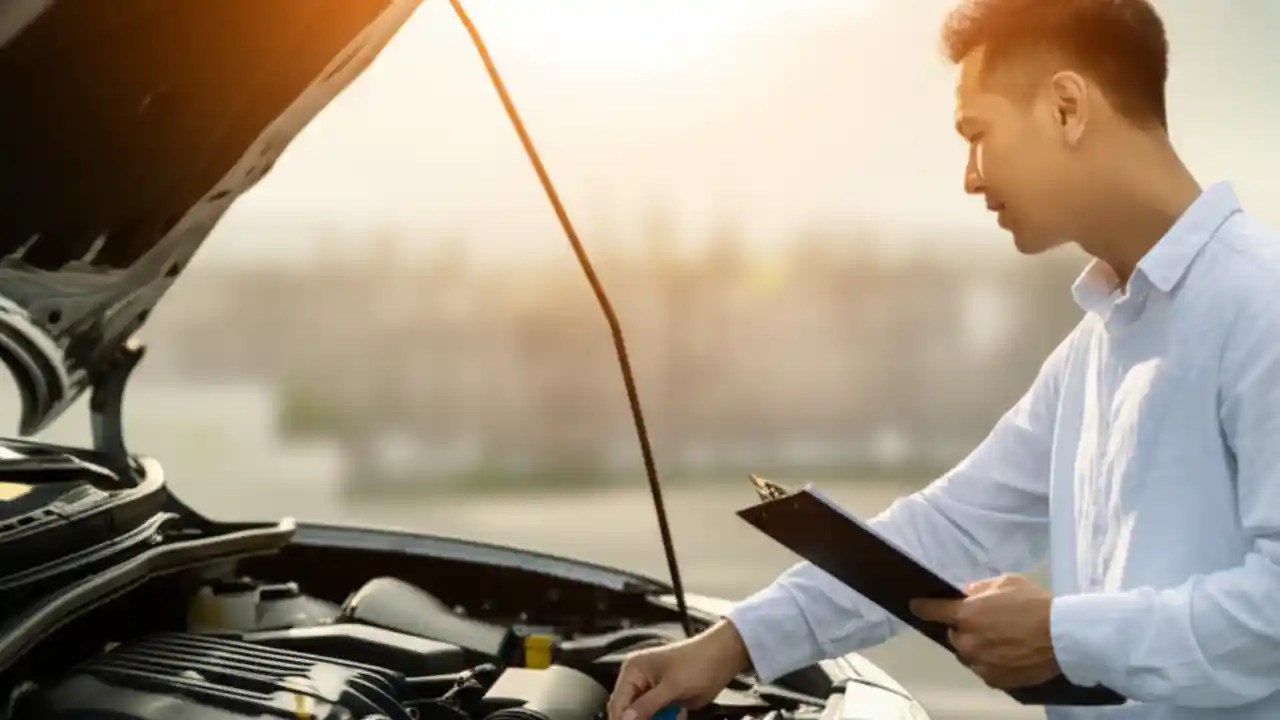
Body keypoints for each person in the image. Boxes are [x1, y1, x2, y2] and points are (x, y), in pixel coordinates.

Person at [605, 0, 1280, 718]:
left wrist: (1064, 636)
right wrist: (732, 642)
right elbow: (949, 532)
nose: (970, 177)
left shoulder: (1261, 303)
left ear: (1065, 107)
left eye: (977, 134)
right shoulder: (1092, 353)